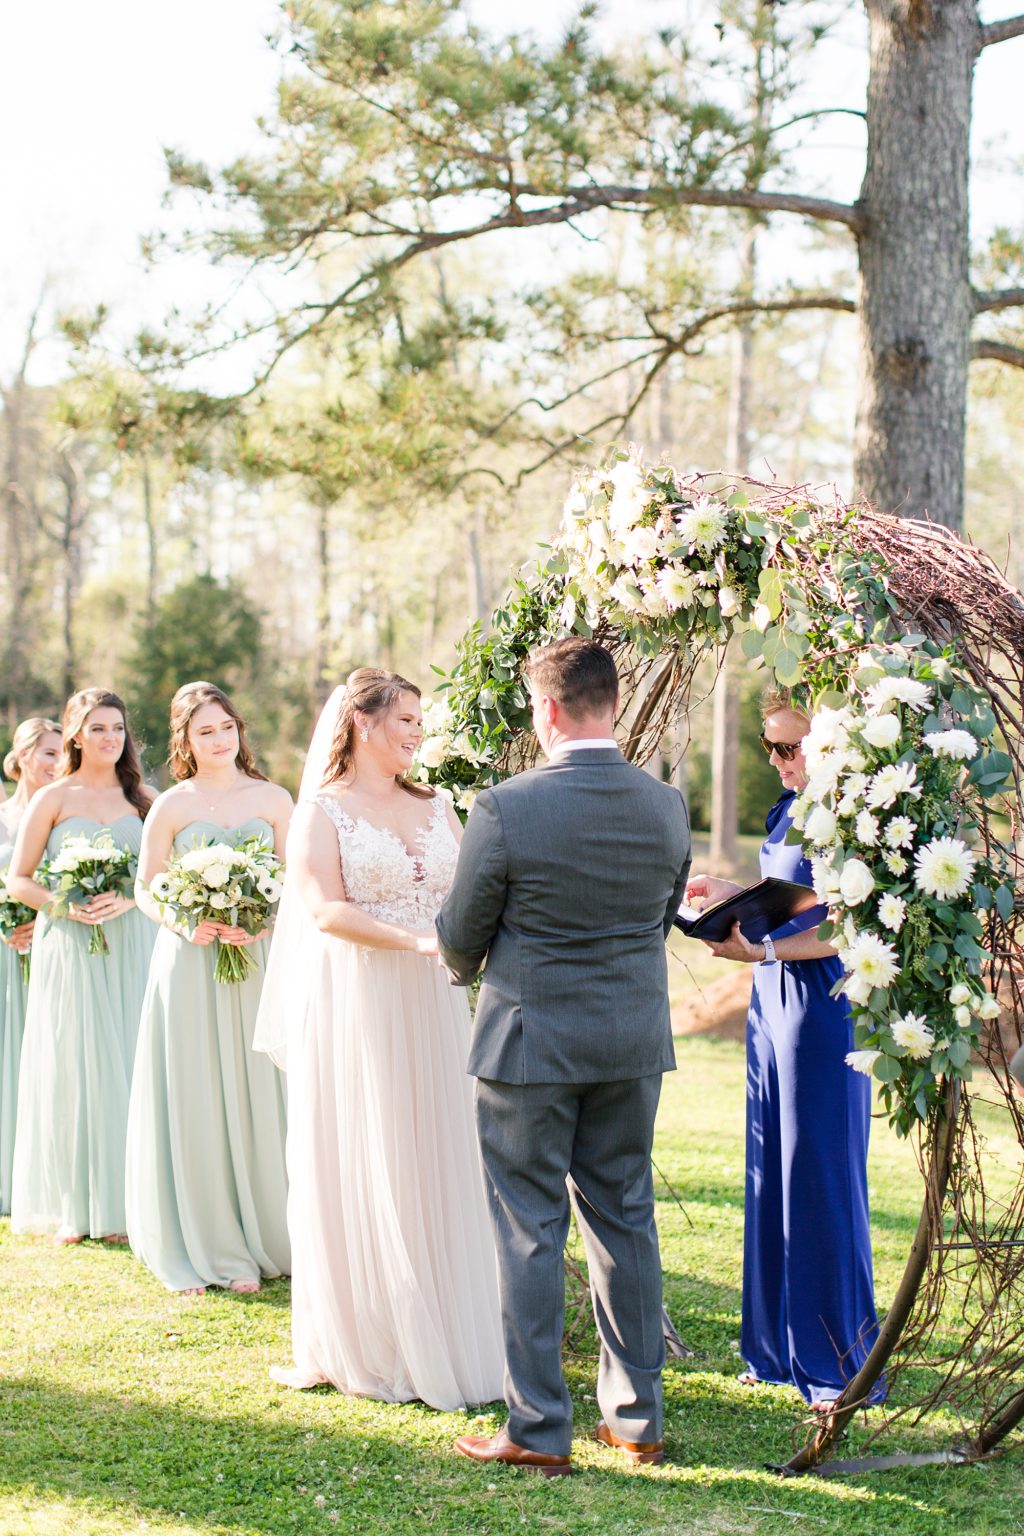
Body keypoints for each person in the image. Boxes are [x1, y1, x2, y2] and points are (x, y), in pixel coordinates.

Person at [436, 638, 691, 1476]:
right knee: (625, 1220)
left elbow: (461, 939)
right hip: (629, 1041)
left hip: (529, 1046)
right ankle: (637, 1421)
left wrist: (470, 958)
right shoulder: (666, 806)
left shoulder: (506, 807)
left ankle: (539, 1428)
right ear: (609, 704)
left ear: (545, 710)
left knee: (530, 1231)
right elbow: (655, 918)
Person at [254, 668, 504, 1409]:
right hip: (359, 997)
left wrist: (463, 940)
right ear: (362, 723)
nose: (418, 734)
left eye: (421, 723)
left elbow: (470, 893)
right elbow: (323, 910)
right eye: (406, 721)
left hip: (433, 1000)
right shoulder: (321, 813)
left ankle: (448, 1325)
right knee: (368, 1149)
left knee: (436, 1149)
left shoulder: (437, 806)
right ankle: (361, 1339)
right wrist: (416, 941)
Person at [685, 688, 879, 1408]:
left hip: (821, 1006)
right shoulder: (789, 808)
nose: (778, 761)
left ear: (829, 743)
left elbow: (850, 928)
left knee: (818, 1171)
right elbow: (796, 895)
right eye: (769, 746)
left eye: (790, 747)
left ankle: (836, 1357)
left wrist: (764, 958)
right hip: (773, 1007)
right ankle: (774, 1347)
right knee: (769, 1167)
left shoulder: (857, 814)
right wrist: (730, 891)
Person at [125, 682, 292, 1294]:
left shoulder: (275, 798)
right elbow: (146, 888)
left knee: (260, 1089)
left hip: (257, 959)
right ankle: (208, 1239)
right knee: (196, 1092)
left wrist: (264, 920)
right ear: (186, 742)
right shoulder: (170, 805)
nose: (220, 740)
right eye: (205, 732)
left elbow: (296, 882)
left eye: (226, 727)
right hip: (189, 962)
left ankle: (272, 1230)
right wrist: (184, 922)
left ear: (239, 730)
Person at [8, 689, 157, 1242]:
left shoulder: (143, 796)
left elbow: (162, 879)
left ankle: (130, 1199)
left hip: (132, 940)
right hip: (69, 946)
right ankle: (76, 1203)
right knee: (75, 1062)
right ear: (74, 733)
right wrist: (63, 904)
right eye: (97, 728)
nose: (110, 738)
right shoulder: (53, 797)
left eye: (117, 728)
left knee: (129, 1058)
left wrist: (131, 898)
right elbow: (19, 879)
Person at [0, 717, 62, 1215]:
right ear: (21, 757)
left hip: (55, 944)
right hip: (7, 952)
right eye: (47, 753)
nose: (56, 763)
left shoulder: (64, 818)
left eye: (63, 753)